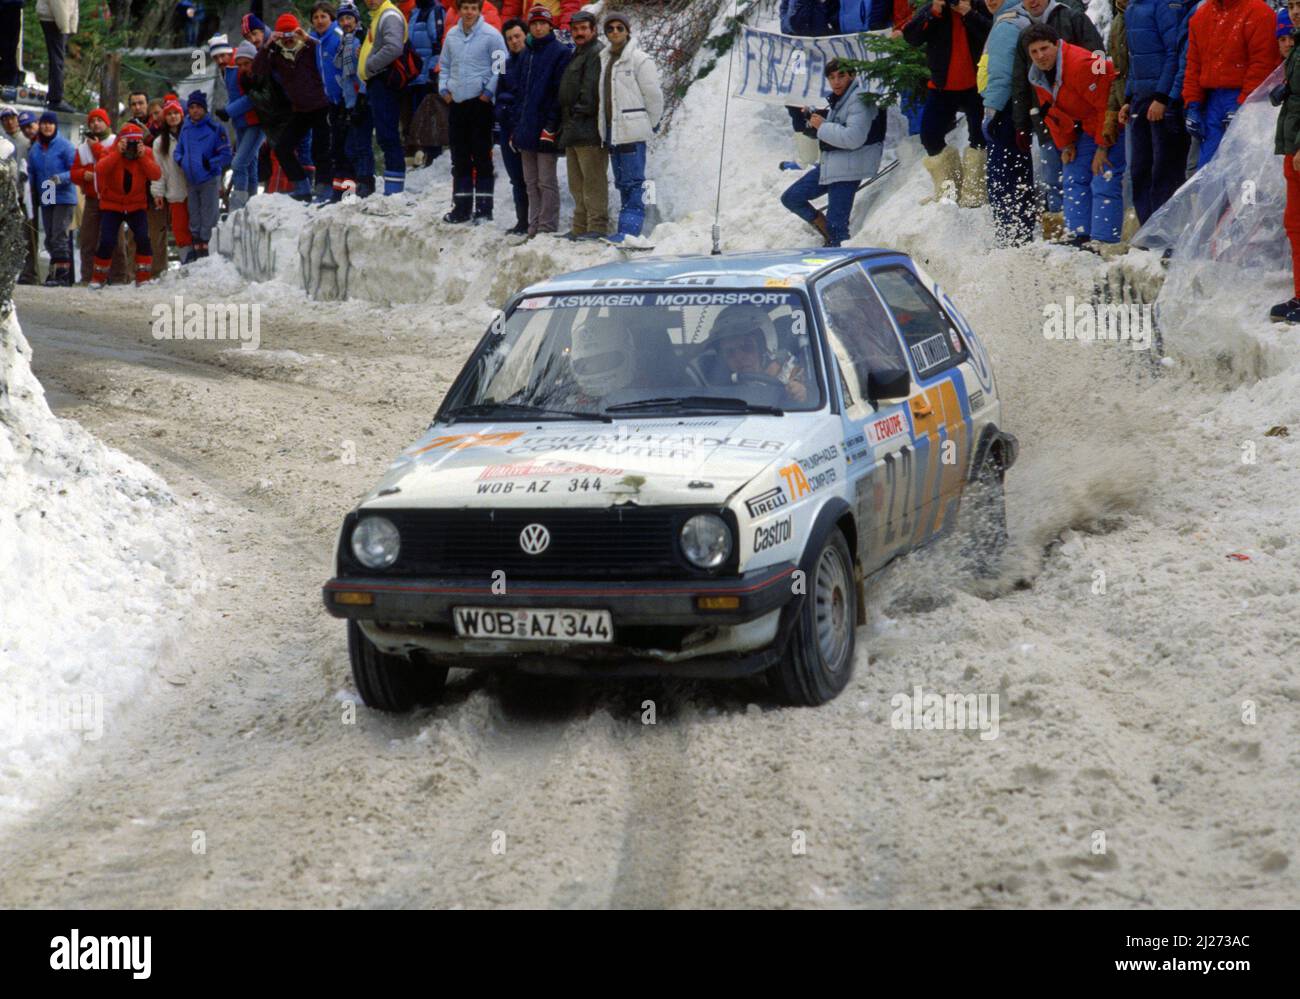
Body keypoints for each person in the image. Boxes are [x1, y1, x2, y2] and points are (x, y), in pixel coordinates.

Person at [1025, 24, 1125, 250]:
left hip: (1112, 120)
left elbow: (1105, 104)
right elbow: (1051, 112)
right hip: (1085, 126)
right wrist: (1066, 143)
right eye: (1034, 52)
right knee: (1072, 175)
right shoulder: (1037, 75)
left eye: (1044, 48)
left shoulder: (1081, 64)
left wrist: (1102, 147)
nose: (1040, 56)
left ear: (1056, 44)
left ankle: (1104, 240)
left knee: (1103, 174)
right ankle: (1079, 235)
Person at [1011, 0, 1104, 241]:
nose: (1033, 2)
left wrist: (1105, 96)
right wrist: (1021, 124)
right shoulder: (1023, 35)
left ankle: (1093, 233)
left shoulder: (1072, 19)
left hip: (1087, 114)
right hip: (1047, 117)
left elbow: (1099, 59)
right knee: (1054, 178)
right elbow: (1020, 80)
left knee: (1091, 175)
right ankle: (1060, 234)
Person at [780, 59, 885, 247]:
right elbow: (836, 127)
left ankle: (841, 261)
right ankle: (826, 231)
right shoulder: (841, 99)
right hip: (834, 164)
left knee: (838, 228)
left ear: (852, 76)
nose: (836, 82)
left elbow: (853, 138)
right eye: (831, 78)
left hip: (849, 167)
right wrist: (814, 120)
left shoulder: (858, 100)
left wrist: (823, 126)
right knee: (792, 198)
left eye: (841, 76)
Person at [903, 0, 992, 207]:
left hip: (976, 87)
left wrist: (968, 14)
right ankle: (949, 189)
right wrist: (933, 12)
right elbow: (911, 37)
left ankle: (975, 193)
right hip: (942, 87)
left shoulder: (980, 6)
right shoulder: (935, 9)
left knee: (979, 139)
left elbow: (994, 35)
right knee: (930, 136)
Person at [1182, 0, 1278, 169]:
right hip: (1212, 100)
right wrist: (1192, 103)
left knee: (1243, 170)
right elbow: (1193, 63)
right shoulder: (1202, 15)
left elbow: (1263, 62)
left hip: (1248, 99)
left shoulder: (1258, 12)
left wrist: (1244, 104)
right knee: (1208, 168)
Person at [1122, 0, 1193, 226]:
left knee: (1165, 170)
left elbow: (1174, 52)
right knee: (1140, 169)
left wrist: (1163, 97)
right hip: (1140, 100)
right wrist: (1128, 97)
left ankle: (1166, 233)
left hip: (1162, 100)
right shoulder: (1132, 8)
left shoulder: (1164, 5)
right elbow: (1135, 58)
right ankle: (1147, 229)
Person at [597, 11, 663, 247]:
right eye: (610, 28)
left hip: (632, 132)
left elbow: (653, 96)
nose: (615, 32)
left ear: (627, 31)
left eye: (619, 28)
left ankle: (629, 232)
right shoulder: (605, 59)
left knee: (634, 182)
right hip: (614, 132)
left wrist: (649, 123)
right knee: (622, 183)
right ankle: (626, 231)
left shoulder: (639, 59)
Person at [440, 0, 508, 221]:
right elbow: (445, 64)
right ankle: (461, 208)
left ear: (480, 10)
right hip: (457, 103)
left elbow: (500, 66)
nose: (469, 12)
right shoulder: (452, 35)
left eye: (473, 8)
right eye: (465, 8)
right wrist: (444, 89)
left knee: (481, 157)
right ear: (459, 10)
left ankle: (484, 209)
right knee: (459, 158)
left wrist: (488, 93)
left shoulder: (492, 35)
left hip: (480, 104)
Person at [252, 15, 332, 201]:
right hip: (300, 109)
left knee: (321, 150)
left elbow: (323, 52)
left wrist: (306, 38)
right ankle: (302, 186)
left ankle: (324, 188)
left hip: (320, 105)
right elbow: (258, 69)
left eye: (291, 33)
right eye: (284, 34)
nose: (288, 38)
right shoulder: (276, 53)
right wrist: (268, 44)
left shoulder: (309, 47)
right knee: (282, 148)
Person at [510, 6, 572, 236]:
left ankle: (547, 227)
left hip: (546, 127)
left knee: (546, 181)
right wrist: (516, 127)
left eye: (542, 23)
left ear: (550, 25)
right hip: (525, 127)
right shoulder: (526, 53)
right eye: (534, 23)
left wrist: (551, 126)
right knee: (530, 182)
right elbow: (520, 94)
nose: (538, 27)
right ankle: (533, 226)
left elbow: (559, 94)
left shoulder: (560, 52)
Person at [981, 0, 1035, 245]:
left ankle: (1010, 236)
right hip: (1018, 109)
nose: (990, 1)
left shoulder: (1006, 25)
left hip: (1005, 111)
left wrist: (991, 111)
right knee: (1018, 175)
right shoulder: (1021, 19)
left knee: (1003, 179)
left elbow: (1001, 75)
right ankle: (1020, 232)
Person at [89, 122, 162, 288]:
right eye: (128, 142)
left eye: (135, 142)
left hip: (136, 205)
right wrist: (117, 153)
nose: (131, 147)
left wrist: (142, 156)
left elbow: (155, 174)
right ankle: (98, 278)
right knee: (107, 240)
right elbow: (100, 170)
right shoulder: (110, 151)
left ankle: (143, 277)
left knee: (143, 238)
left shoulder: (146, 153)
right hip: (112, 205)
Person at [557, 10, 607, 240]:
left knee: (593, 182)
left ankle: (596, 227)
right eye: (575, 29)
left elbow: (590, 95)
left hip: (588, 129)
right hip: (573, 128)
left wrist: (576, 116)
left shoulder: (595, 53)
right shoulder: (577, 53)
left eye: (583, 29)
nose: (579, 33)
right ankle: (579, 227)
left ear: (593, 30)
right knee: (577, 183)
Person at [705, 304, 809, 405]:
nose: (739, 357)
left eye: (747, 347)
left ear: (763, 348)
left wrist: (800, 393)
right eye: (730, 352)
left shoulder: (792, 371)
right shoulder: (718, 385)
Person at [70, 109, 129, 285]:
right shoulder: (82, 148)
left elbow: (112, 163)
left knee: (116, 240)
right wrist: (83, 174)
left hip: (113, 198)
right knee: (88, 239)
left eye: (99, 120)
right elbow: (73, 173)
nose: (95, 124)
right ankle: (88, 277)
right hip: (92, 198)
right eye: (92, 121)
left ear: (107, 123)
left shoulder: (116, 141)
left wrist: (95, 147)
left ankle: (119, 277)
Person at [360, 0, 412, 196]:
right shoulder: (378, 15)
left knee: (388, 135)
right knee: (385, 135)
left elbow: (394, 47)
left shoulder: (389, 15)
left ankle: (394, 190)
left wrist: (370, 65)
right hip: (377, 81)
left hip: (385, 80)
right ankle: (392, 188)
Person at [173, 90, 232, 260]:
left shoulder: (215, 128)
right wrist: (181, 161)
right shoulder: (186, 128)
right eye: (191, 107)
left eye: (198, 107)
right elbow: (178, 151)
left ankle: (209, 251)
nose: (195, 110)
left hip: (209, 179)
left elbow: (227, 154)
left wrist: (210, 163)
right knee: (194, 216)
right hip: (191, 180)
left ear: (205, 109)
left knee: (209, 215)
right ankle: (197, 250)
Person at [26, 111, 77, 285]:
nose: (47, 127)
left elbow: (75, 171)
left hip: (63, 193)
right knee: (48, 235)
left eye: (51, 123)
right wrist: (29, 188)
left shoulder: (65, 146)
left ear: (55, 126)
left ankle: (62, 274)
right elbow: (31, 171)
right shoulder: (36, 148)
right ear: (40, 126)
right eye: (44, 123)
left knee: (59, 234)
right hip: (46, 191)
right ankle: (54, 270)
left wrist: (61, 178)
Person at [1272, 13, 1300, 322]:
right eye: (1291, 3)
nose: (1295, 10)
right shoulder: (1297, 47)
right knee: (1294, 225)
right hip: (1291, 146)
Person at [334, 2, 376, 197]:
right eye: (342, 19)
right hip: (349, 100)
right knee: (350, 147)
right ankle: (356, 183)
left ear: (356, 20)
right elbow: (344, 75)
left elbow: (363, 71)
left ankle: (367, 182)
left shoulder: (361, 39)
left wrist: (362, 97)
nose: (345, 22)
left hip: (363, 99)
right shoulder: (344, 42)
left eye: (349, 18)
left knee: (362, 144)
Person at [495, 17, 530, 234]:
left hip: (526, 127)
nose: (514, 41)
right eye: (509, 39)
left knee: (531, 179)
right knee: (516, 178)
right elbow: (499, 94)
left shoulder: (533, 60)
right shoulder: (505, 65)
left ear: (525, 36)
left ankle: (536, 221)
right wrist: (501, 112)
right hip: (507, 127)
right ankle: (522, 221)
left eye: (517, 36)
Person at [309, 3, 347, 200]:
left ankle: (350, 190)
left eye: (323, 16)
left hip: (345, 98)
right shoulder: (316, 40)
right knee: (335, 147)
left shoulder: (338, 36)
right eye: (315, 17)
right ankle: (337, 191)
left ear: (331, 18)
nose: (319, 20)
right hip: (330, 99)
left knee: (346, 146)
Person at [152, 97, 193, 265]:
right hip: (175, 191)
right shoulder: (160, 142)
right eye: (169, 114)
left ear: (182, 115)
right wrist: (157, 193)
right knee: (179, 228)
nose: (173, 117)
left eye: (176, 113)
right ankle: (186, 261)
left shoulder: (190, 134)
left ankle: (201, 258)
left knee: (197, 226)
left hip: (193, 188)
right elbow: (158, 171)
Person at [2, 106, 40, 285]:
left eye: (12, 118)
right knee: (9, 235)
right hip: (8, 195)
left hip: (29, 194)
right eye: (5, 119)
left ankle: (31, 272)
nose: (9, 122)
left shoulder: (28, 142)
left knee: (29, 232)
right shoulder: (3, 142)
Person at [406, 0, 447, 164]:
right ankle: (424, 155)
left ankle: (434, 155)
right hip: (415, 75)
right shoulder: (415, 12)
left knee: (431, 116)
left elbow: (438, 43)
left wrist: (432, 70)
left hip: (428, 74)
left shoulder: (436, 10)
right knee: (419, 117)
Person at [37, 0, 79, 113]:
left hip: (60, 20)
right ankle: (56, 99)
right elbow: (58, 4)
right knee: (57, 60)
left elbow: (74, 3)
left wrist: (72, 25)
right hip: (53, 19)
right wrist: (65, 26)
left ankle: (54, 96)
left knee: (57, 59)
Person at [498, 1, 580, 29]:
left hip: (553, 31)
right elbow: (511, 10)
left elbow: (571, 7)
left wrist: (565, 31)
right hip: (528, 31)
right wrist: (505, 30)